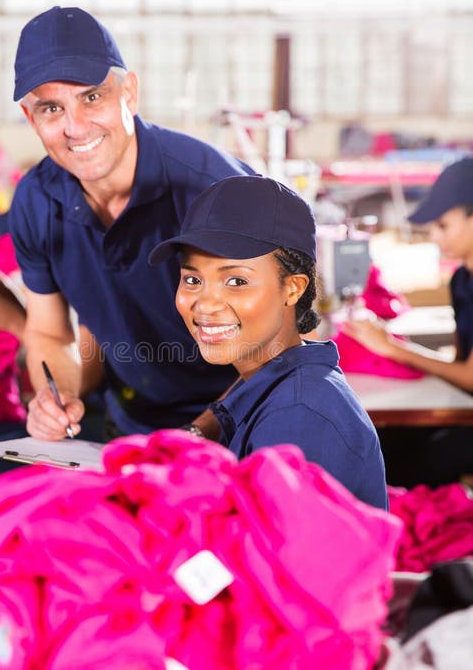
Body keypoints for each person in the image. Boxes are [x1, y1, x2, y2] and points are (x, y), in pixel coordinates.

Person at [7, 5, 257, 444]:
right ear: (32, 120)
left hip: (243, 426)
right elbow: (48, 331)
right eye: (51, 108)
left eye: (92, 97)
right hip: (130, 428)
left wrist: (197, 434)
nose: (75, 127)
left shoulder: (214, 189)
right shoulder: (35, 201)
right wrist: (57, 397)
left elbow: (285, 343)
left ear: (129, 94)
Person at [148, 175, 388, 509]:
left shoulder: (297, 418)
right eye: (192, 279)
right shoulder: (277, 384)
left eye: (236, 281)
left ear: (293, 288)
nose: (205, 304)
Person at [341, 155, 473, 486]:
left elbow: (470, 378)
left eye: (443, 225)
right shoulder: (461, 281)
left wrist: (392, 348)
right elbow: (459, 366)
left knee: (402, 465)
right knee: (382, 444)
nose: (434, 236)